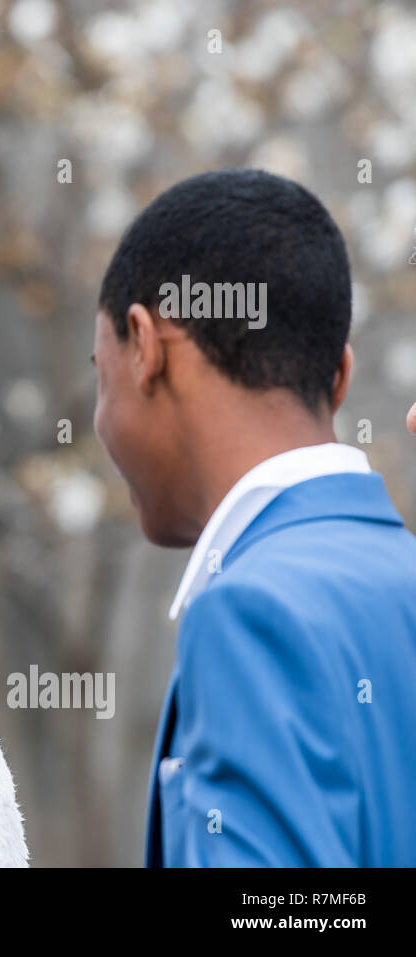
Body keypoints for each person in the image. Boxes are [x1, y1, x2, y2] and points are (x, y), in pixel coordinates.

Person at [91, 168, 416, 866]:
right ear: (340, 375)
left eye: (100, 372)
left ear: (146, 347)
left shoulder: (248, 613)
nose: (99, 419)